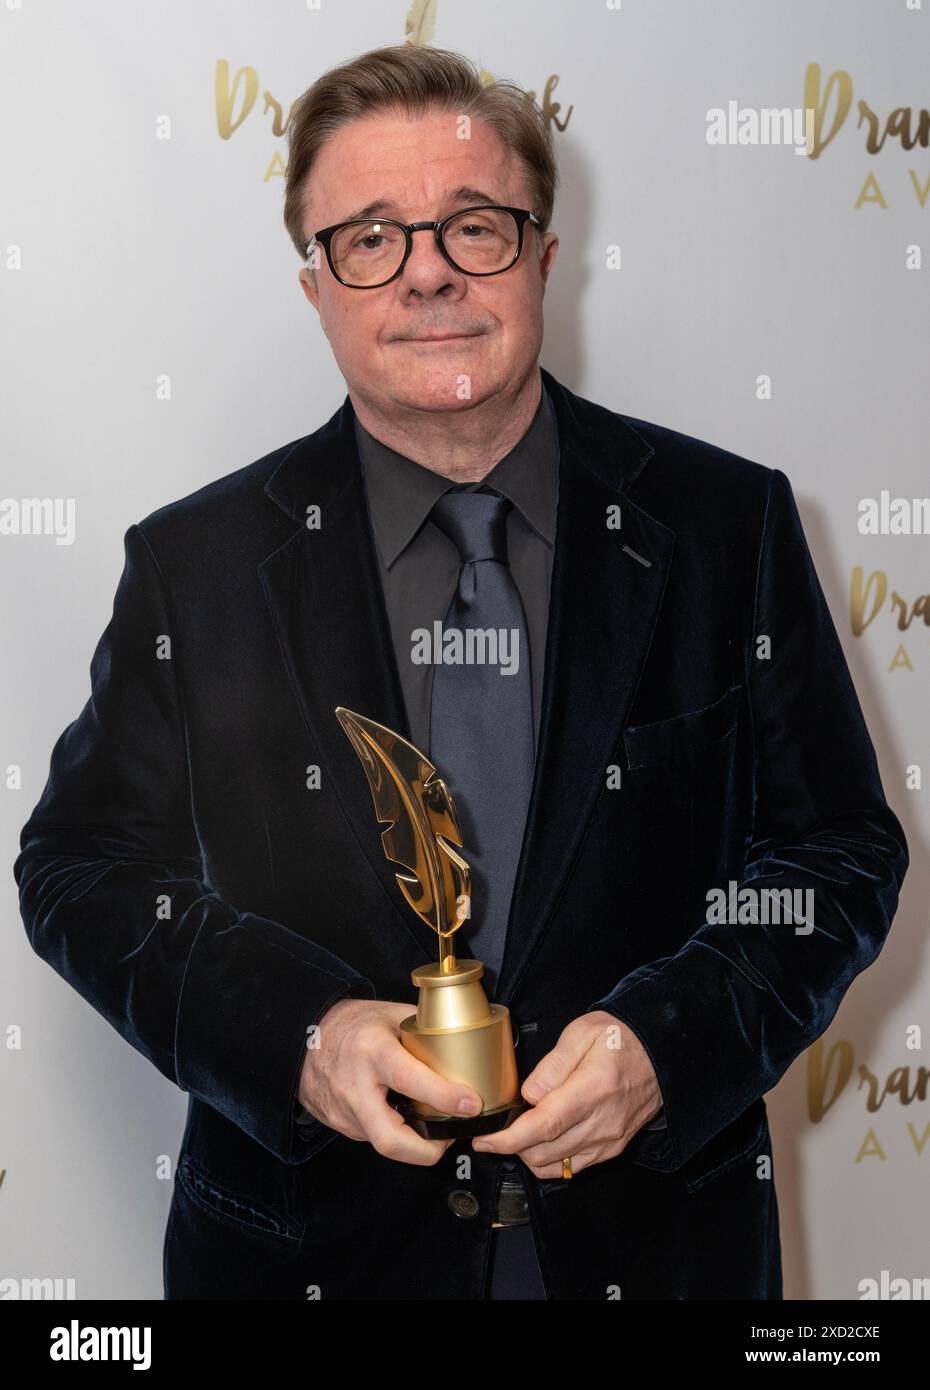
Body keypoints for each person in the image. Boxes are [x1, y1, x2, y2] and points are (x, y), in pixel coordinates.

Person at [15, 43, 908, 1301]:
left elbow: (838, 854)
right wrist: (299, 1038)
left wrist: (672, 1040)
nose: (429, 270)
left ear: (543, 256)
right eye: (371, 237)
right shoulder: (195, 565)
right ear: (316, 283)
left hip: (660, 1251)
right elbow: (81, 870)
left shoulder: (725, 526)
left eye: (474, 227)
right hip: (305, 1257)